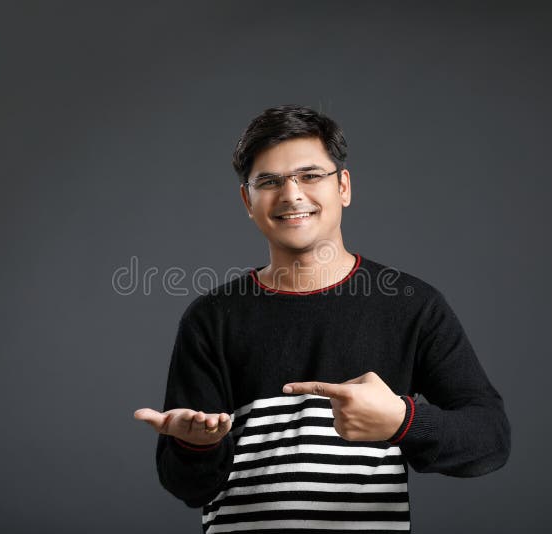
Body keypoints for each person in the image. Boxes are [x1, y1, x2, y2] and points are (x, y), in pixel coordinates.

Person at [134, 104, 511, 533]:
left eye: (310, 176)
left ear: (344, 186)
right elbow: (185, 487)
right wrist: (194, 446)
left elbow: (490, 440)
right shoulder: (211, 319)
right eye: (269, 182)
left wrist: (403, 422)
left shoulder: (412, 305)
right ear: (247, 200)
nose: (292, 194)